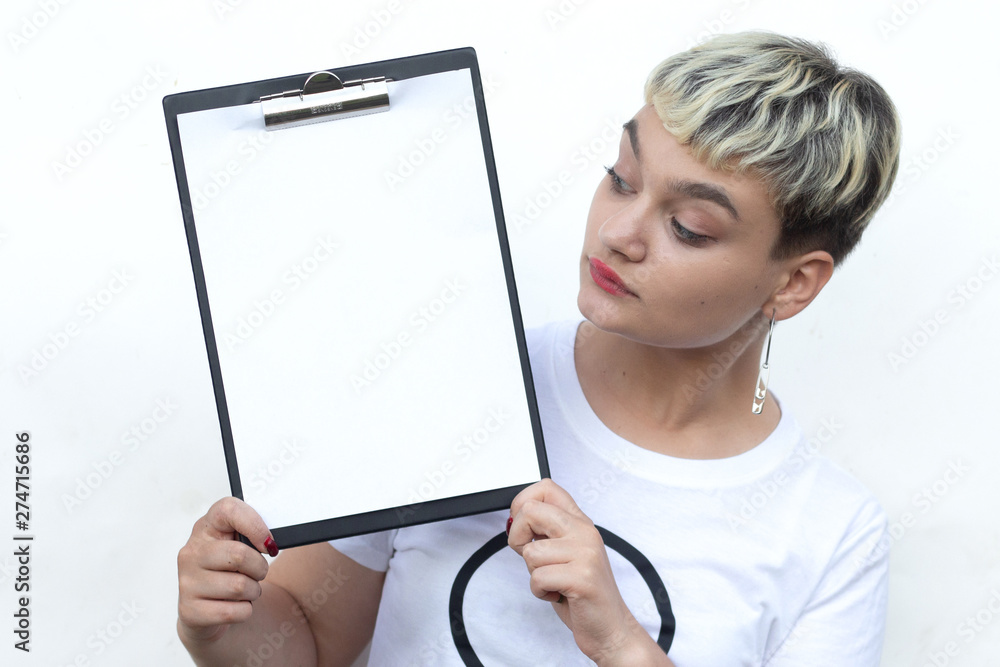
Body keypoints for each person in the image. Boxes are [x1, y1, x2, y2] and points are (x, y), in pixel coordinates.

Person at [176, 31, 901, 666]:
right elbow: (304, 641)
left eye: (688, 226)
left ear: (795, 283)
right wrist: (221, 625)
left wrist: (619, 641)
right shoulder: (454, 373)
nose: (620, 230)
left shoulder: (831, 532)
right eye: (622, 177)